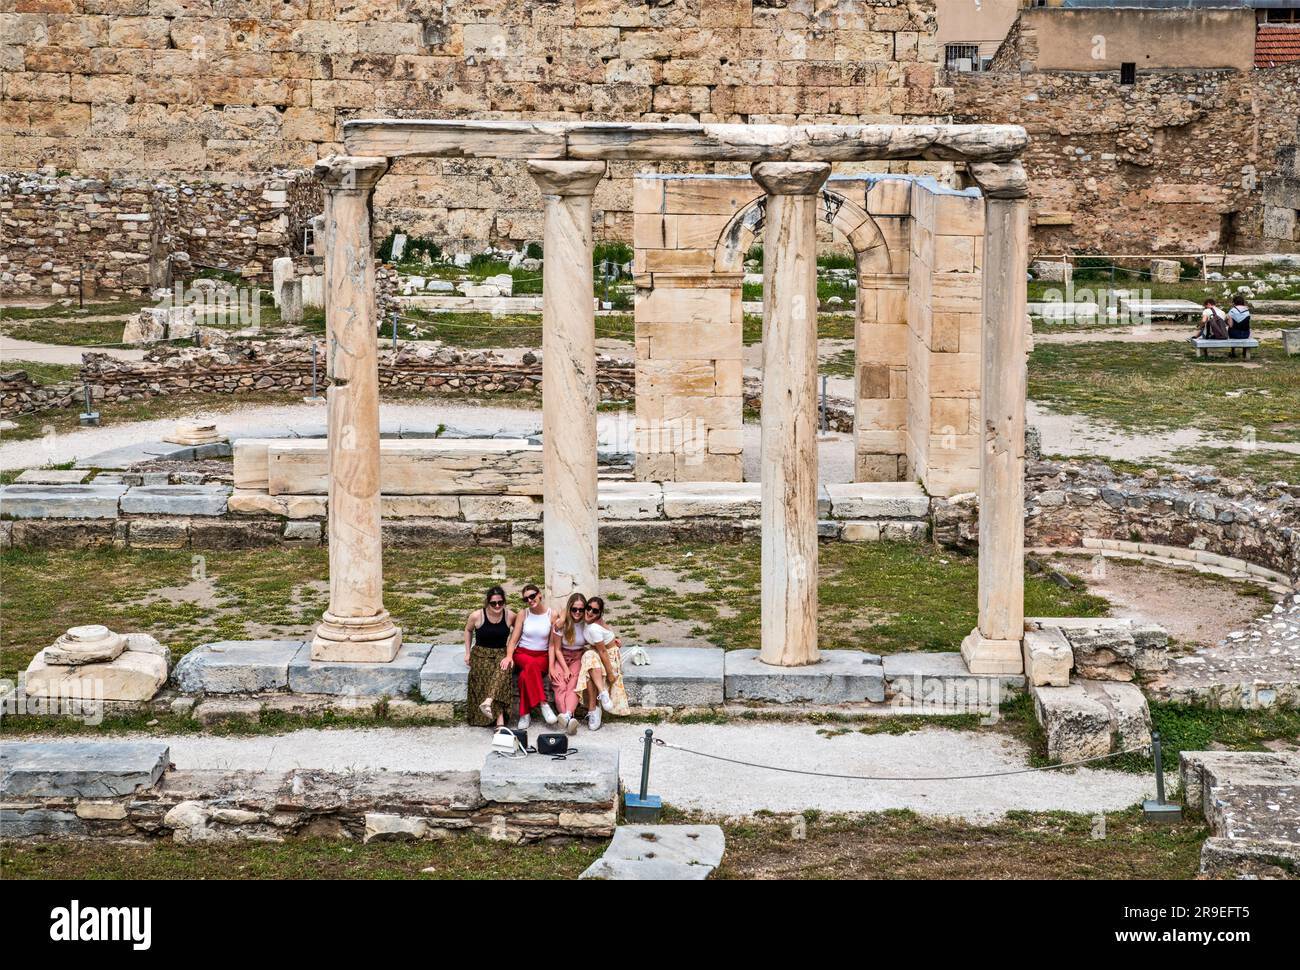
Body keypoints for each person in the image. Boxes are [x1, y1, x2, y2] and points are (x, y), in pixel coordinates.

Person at [504, 583, 558, 729]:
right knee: (531, 665)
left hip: (542, 656)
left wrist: (552, 666)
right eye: (526, 599)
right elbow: (513, 640)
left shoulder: (552, 614)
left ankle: (524, 713)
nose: (530, 600)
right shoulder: (524, 614)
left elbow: (552, 644)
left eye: (532, 596)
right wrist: (509, 656)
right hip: (523, 653)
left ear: (540, 595)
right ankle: (543, 704)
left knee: (523, 677)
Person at [463, 586, 515, 728]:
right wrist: (467, 652)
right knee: (488, 676)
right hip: (481, 653)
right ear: (487, 602)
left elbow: (518, 632)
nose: (497, 606)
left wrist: (511, 651)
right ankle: (500, 721)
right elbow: (468, 631)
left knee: (503, 669)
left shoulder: (510, 616)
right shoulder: (477, 616)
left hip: (501, 652)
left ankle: (488, 702)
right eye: (493, 603)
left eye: (500, 602)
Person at [576, 595, 628, 731]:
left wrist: (610, 673)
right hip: (604, 653)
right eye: (588, 608)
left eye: (595, 611)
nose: (590, 612)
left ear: (600, 614)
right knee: (590, 661)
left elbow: (603, 652)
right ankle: (601, 695)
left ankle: (594, 709)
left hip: (609, 658)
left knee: (588, 659)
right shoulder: (591, 622)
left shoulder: (593, 628)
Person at [549, 592, 589, 736]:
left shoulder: (587, 623)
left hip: (578, 656)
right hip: (562, 656)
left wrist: (614, 639)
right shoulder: (561, 624)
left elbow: (603, 631)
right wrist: (563, 669)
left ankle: (566, 716)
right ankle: (568, 717)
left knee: (573, 684)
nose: (577, 612)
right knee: (560, 684)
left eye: (581, 609)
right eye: (574, 609)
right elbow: (557, 649)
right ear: (569, 609)